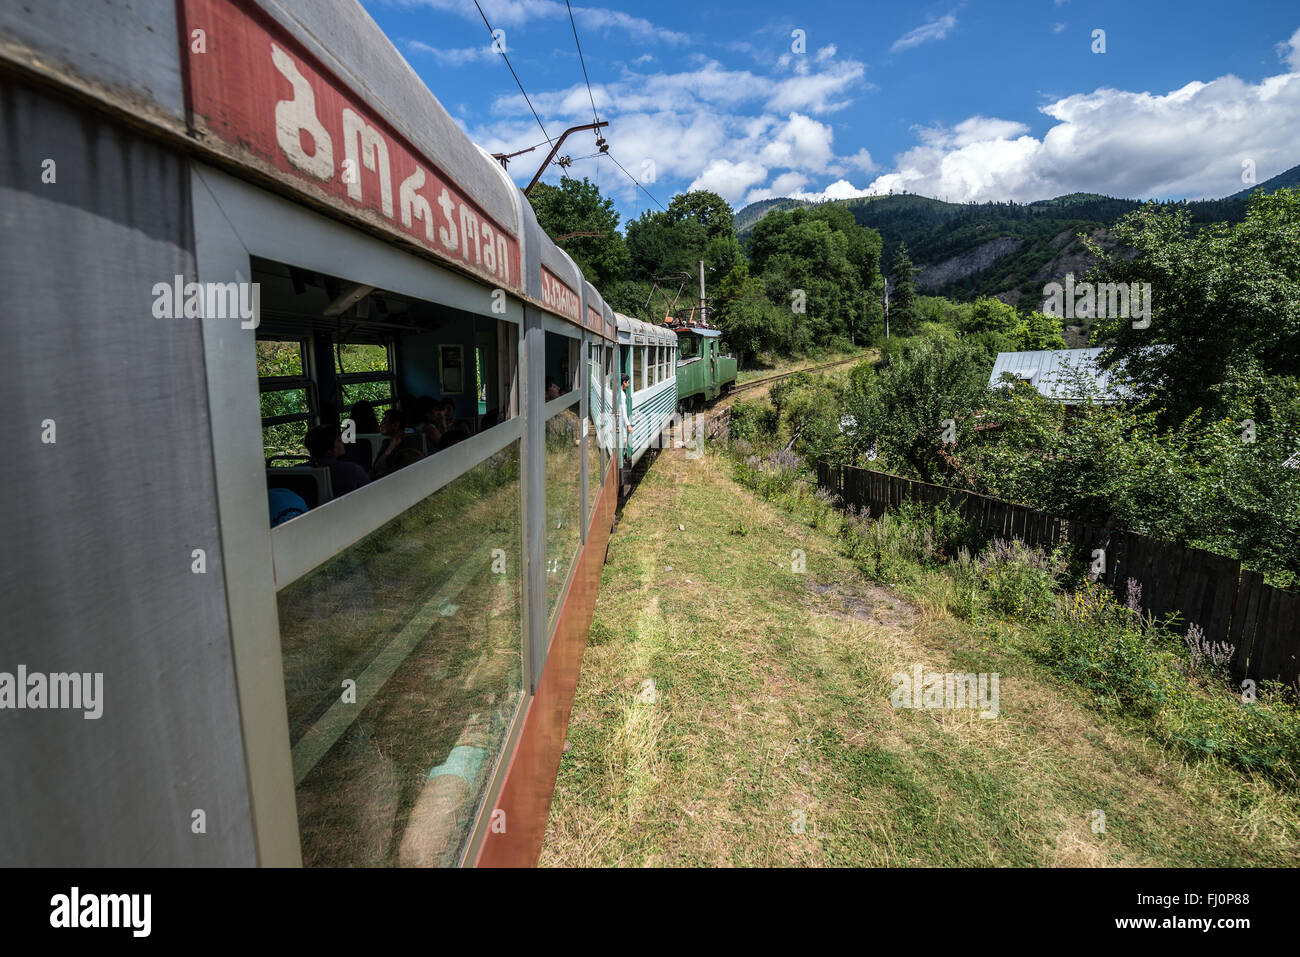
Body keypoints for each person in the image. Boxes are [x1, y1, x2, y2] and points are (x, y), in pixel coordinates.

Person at [305, 423, 371, 496]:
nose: (343, 443)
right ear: (328, 449)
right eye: (339, 441)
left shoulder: (301, 470)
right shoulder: (353, 470)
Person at [371, 406, 424, 478]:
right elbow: (375, 467)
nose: (381, 425)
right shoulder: (386, 442)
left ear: (395, 425)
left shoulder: (410, 442)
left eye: (384, 422)